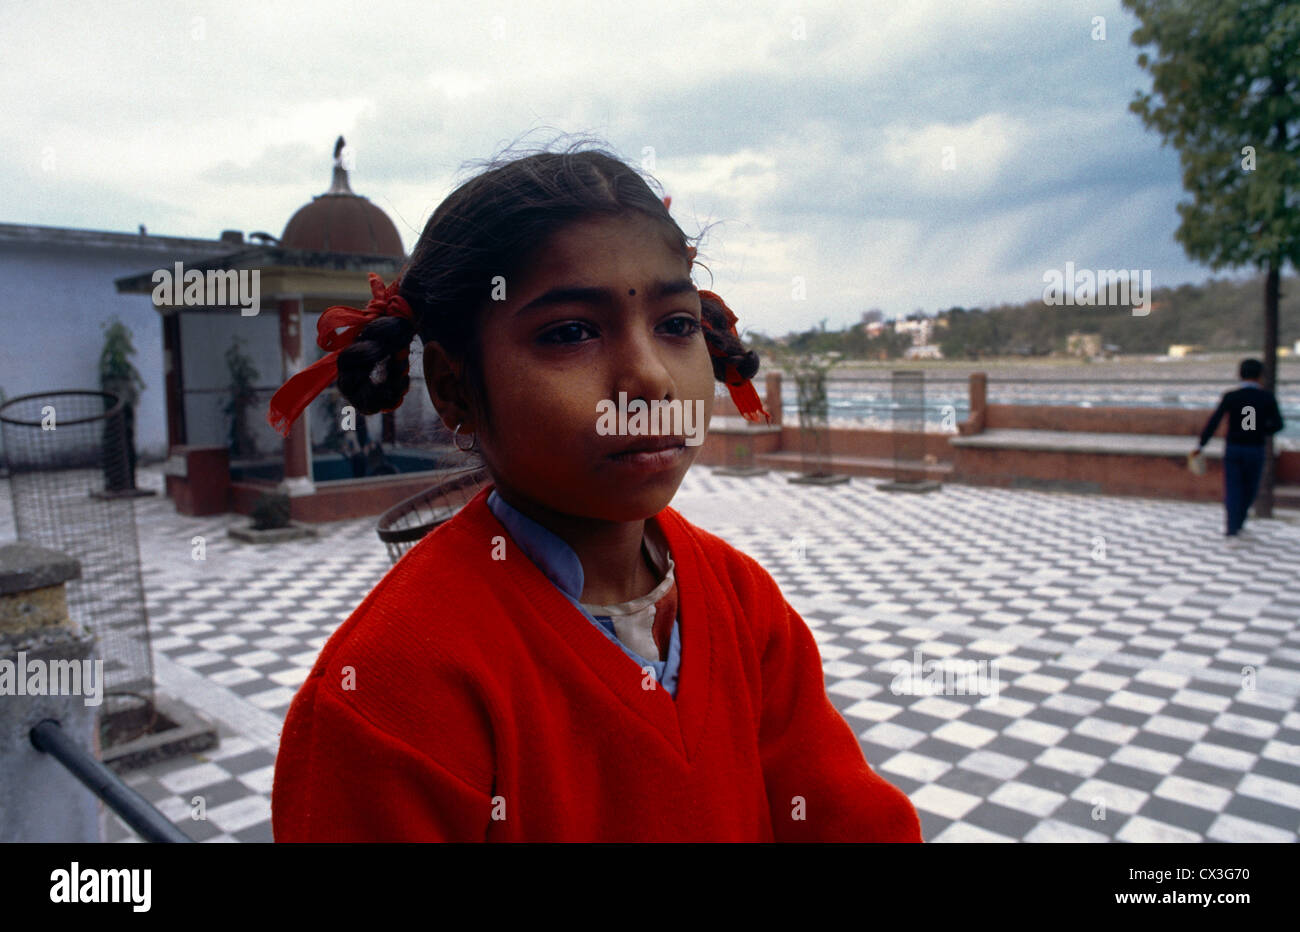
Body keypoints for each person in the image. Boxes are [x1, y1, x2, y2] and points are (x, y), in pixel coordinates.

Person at [264, 140, 922, 842]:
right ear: (455, 387)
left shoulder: (742, 602)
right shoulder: (392, 689)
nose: (650, 380)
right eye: (571, 332)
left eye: (676, 325)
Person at [1194, 358, 1285, 537]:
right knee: (1250, 488)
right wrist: (1260, 429)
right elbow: (1278, 424)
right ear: (1260, 376)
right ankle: (1239, 522)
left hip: (1234, 449)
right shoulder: (1266, 397)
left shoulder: (1231, 397)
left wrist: (1202, 443)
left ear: (1240, 375)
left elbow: (1214, 421)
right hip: (1255, 449)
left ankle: (1232, 526)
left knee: (1233, 487)